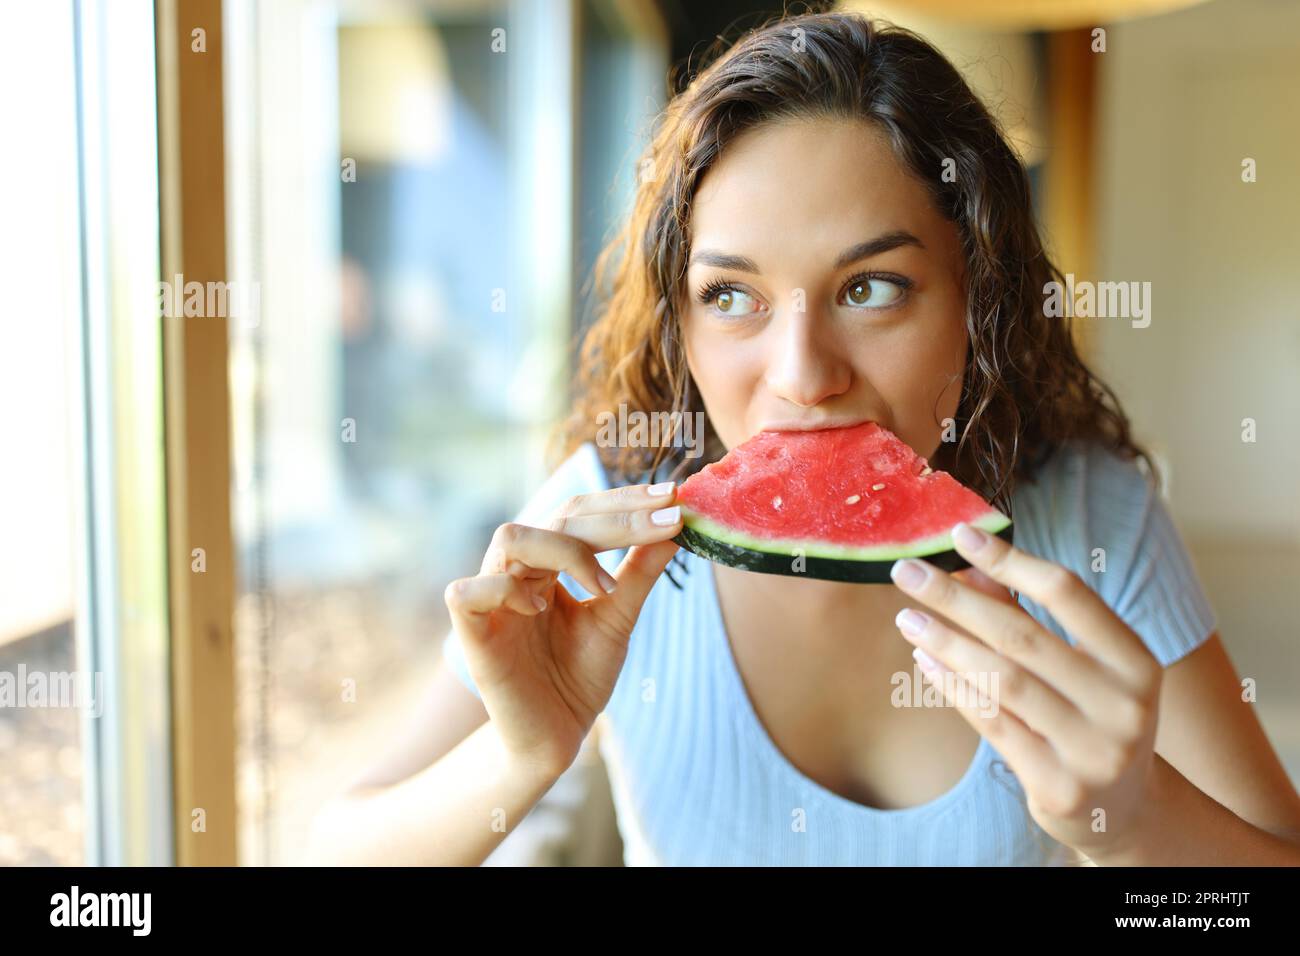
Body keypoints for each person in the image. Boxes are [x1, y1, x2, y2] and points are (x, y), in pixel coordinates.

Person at [304, 11, 1300, 866]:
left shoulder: (1090, 515)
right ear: (678, 321)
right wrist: (519, 756)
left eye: (870, 288)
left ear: (976, 301)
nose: (801, 373)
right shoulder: (605, 521)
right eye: (730, 295)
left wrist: (1134, 825)